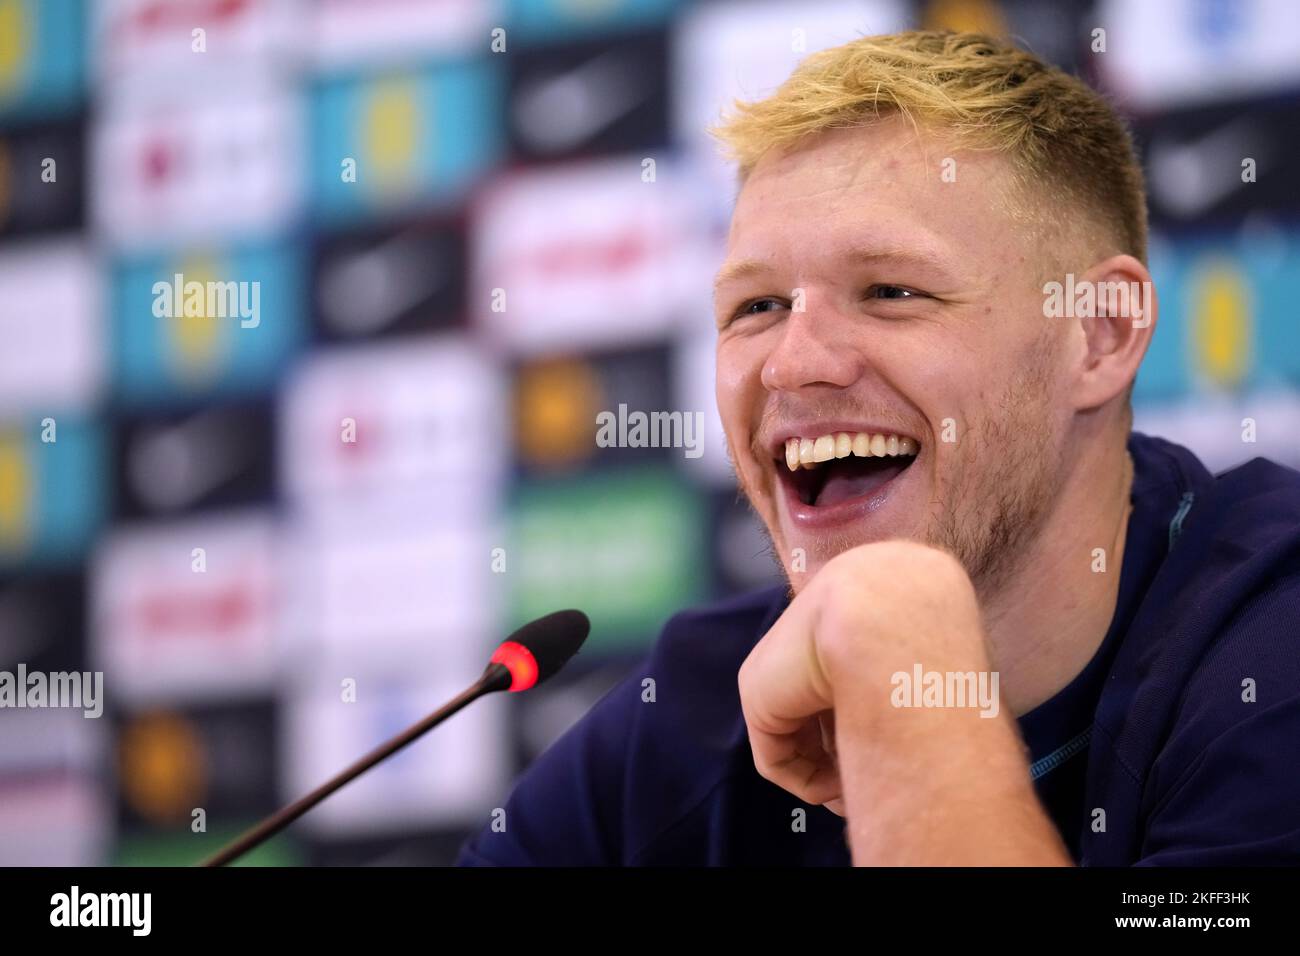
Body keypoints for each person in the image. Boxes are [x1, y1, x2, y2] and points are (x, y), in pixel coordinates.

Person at [457, 30, 1300, 865]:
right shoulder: (682, 717)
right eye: (756, 307)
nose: (794, 362)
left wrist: (907, 671)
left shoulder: (1272, 646)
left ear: (1099, 332)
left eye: (893, 291)